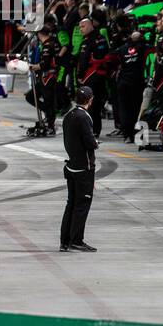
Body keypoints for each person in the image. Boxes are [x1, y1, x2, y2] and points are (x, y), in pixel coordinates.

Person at [60, 86, 98, 252]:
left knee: (71, 204)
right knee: (82, 205)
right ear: (90, 100)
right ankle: (77, 240)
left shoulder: (68, 115)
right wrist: (96, 143)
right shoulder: (85, 117)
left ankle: (65, 240)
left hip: (71, 165)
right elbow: (90, 142)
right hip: (84, 167)